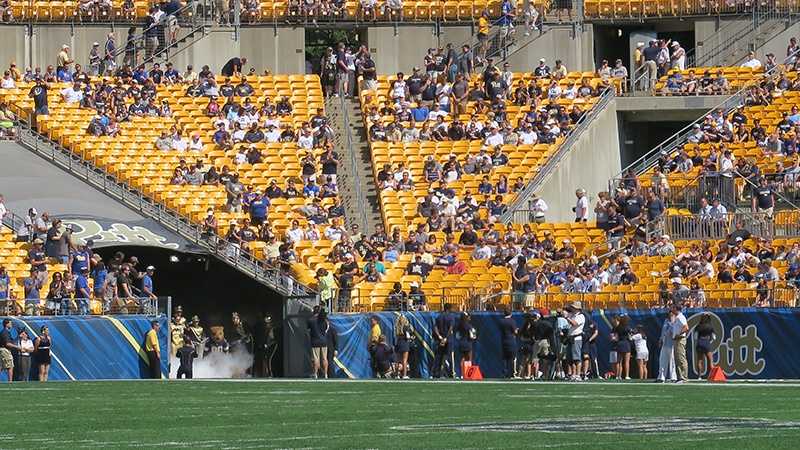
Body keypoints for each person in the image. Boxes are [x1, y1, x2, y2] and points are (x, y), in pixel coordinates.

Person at [432, 303, 455, 378]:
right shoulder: (451, 317)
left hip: (440, 339)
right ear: (449, 309)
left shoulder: (439, 317)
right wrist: (446, 338)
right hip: (448, 339)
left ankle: (436, 373)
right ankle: (448, 373)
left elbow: (435, 327)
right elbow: (450, 328)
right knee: (448, 356)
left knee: (438, 356)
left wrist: (439, 336)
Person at [564, 301, 585, 381]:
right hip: (570, 338)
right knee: (571, 358)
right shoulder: (572, 315)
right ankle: (573, 373)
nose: (571, 308)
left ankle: (578, 374)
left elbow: (574, 323)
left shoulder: (580, 316)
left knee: (576, 358)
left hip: (576, 338)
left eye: (573, 307)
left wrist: (567, 318)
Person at [308, 309, 331, 379]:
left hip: (315, 341)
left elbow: (308, 330)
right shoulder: (324, 321)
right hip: (324, 341)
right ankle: (326, 374)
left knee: (316, 358)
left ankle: (315, 374)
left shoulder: (311, 320)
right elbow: (326, 330)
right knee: (324, 358)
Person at [656, 308, 676, 383]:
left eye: (671, 313)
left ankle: (673, 377)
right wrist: (660, 339)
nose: (670, 314)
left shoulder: (675, 322)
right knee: (662, 360)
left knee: (672, 361)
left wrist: (672, 322)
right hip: (664, 343)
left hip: (672, 344)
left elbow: (674, 332)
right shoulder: (666, 321)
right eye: (669, 313)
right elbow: (663, 331)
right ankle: (661, 377)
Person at [456, 312, 477, 377]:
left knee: (462, 359)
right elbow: (472, 336)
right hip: (468, 344)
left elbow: (457, 336)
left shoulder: (459, 326)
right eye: (468, 316)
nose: (470, 318)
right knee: (469, 359)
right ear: (466, 317)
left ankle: (461, 374)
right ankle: (468, 375)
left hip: (461, 343)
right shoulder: (469, 326)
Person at [694, 313, 715, 380]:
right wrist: (709, 341)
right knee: (710, 360)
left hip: (700, 342)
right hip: (706, 342)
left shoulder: (698, 326)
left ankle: (699, 376)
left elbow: (695, 337)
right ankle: (710, 376)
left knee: (699, 360)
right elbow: (714, 337)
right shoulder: (710, 326)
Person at [672, 303, 689, 383]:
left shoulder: (680, 317)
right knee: (677, 359)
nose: (672, 309)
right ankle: (680, 377)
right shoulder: (677, 317)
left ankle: (684, 378)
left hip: (680, 339)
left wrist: (679, 334)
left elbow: (686, 327)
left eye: (673, 308)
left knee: (681, 358)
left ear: (676, 309)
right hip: (677, 340)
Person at [499, 307, 518, 378]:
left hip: (504, 340)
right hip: (511, 340)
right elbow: (515, 331)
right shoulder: (512, 321)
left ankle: (504, 373)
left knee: (505, 358)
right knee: (512, 357)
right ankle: (512, 373)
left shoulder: (501, 321)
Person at [613, 314, 632, 380]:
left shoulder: (617, 327)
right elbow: (630, 337)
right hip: (626, 344)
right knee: (626, 361)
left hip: (619, 344)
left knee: (619, 361)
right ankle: (627, 376)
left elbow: (616, 337)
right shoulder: (628, 327)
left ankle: (618, 376)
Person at [394, 314, 413, 379]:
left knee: (397, 360)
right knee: (404, 360)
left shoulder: (397, 327)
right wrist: (411, 338)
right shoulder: (405, 327)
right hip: (404, 343)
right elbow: (408, 336)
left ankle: (397, 375)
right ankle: (404, 375)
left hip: (398, 343)